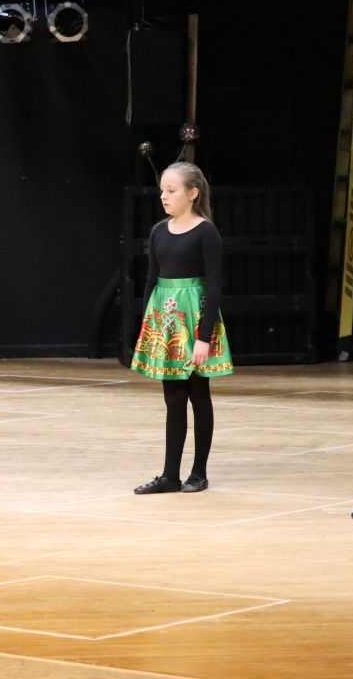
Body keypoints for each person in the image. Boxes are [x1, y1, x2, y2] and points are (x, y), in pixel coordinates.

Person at [130, 162, 234, 494]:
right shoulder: (160, 231)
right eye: (162, 190)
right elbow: (151, 281)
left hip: (194, 319)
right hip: (167, 321)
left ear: (192, 193)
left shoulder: (206, 232)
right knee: (173, 397)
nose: (164, 196)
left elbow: (215, 287)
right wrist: (148, 327)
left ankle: (198, 472)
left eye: (171, 190)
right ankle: (169, 475)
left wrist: (203, 337)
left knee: (197, 394)